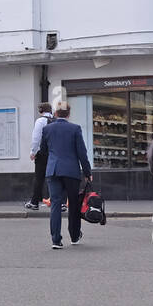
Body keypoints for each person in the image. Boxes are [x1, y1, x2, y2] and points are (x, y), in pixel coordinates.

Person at [39, 102, 92, 249]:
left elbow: (43, 151)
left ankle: (56, 240)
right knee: (74, 204)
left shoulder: (47, 129)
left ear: (56, 113)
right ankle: (74, 236)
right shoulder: (74, 129)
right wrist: (87, 172)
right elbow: (82, 153)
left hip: (53, 170)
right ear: (68, 114)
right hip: (71, 171)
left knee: (55, 204)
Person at [24, 102, 54, 210]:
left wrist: (33, 152)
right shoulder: (56, 121)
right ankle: (58, 202)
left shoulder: (40, 121)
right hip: (55, 154)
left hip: (43, 154)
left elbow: (36, 138)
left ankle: (34, 202)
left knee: (39, 178)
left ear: (41, 110)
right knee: (55, 178)